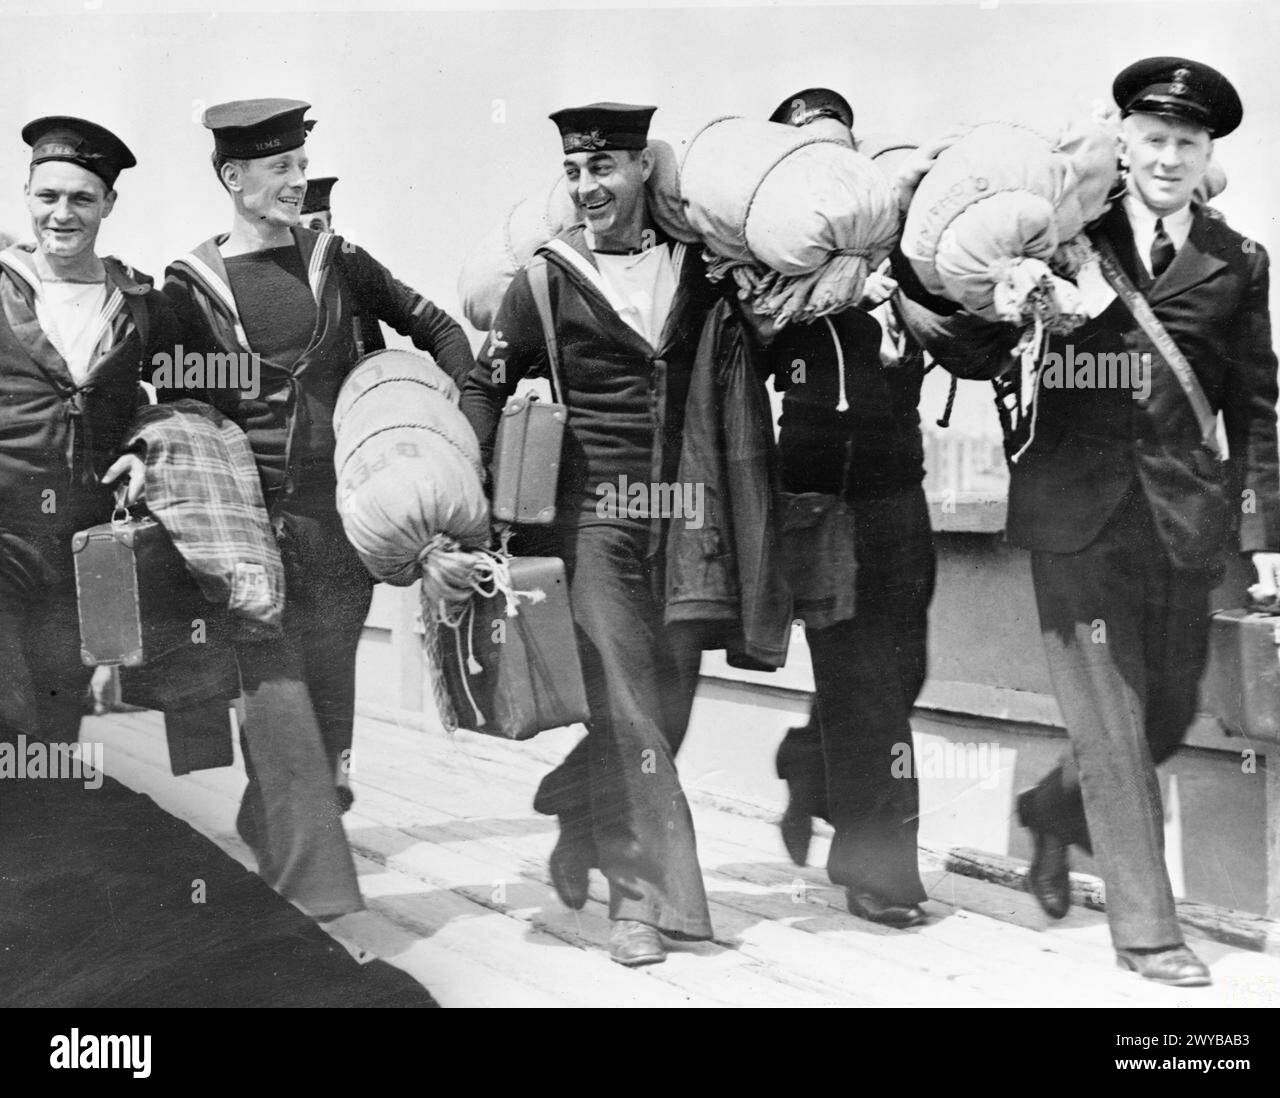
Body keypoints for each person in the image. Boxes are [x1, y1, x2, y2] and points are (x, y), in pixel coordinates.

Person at [905, 58, 1280, 986]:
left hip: (1182, 518)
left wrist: (1264, 533)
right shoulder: (1060, 232)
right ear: (1122, 142)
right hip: (1075, 514)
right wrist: (989, 289)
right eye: (1152, 140)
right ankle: (1149, 932)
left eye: (1186, 144)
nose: (1167, 157)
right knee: (1113, 727)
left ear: (1207, 158)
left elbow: (1257, 403)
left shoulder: (1239, 262)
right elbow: (964, 337)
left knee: (1168, 709)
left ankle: (1050, 811)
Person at [163, 98, 474, 918]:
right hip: (247, 531)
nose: (297, 180)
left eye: (302, 165)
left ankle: (279, 828)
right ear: (234, 177)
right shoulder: (190, 286)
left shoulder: (341, 261)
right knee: (275, 698)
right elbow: (176, 401)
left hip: (339, 522)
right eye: (279, 168)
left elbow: (445, 335)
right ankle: (314, 893)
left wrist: (431, 426)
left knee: (329, 703)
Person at [458, 103, 720, 966]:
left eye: (603, 168)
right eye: (574, 172)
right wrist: (478, 503)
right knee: (635, 709)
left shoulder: (701, 269)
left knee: (669, 702)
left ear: (644, 169)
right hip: (594, 518)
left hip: (682, 518)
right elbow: (485, 384)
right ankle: (641, 906)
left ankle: (578, 806)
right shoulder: (546, 280)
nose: (587, 187)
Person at [764, 89, 934, 928]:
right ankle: (879, 871)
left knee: (904, 670)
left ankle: (809, 760)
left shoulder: (902, 249)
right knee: (868, 686)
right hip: (819, 501)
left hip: (902, 487)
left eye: (838, 147)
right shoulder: (767, 265)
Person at [0, 116, 181, 746]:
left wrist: (146, 450)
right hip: (5, 530)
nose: (62, 214)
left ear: (108, 203)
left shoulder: (141, 303)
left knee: (53, 725)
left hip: (85, 544)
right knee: (8, 706)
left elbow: (193, 401)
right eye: (47, 197)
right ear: (26, 196)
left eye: (81, 198)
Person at [299, 176, 385, 356]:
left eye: (316, 228)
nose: (308, 237)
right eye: (299, 229)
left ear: (331, 233)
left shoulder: (356, 271)